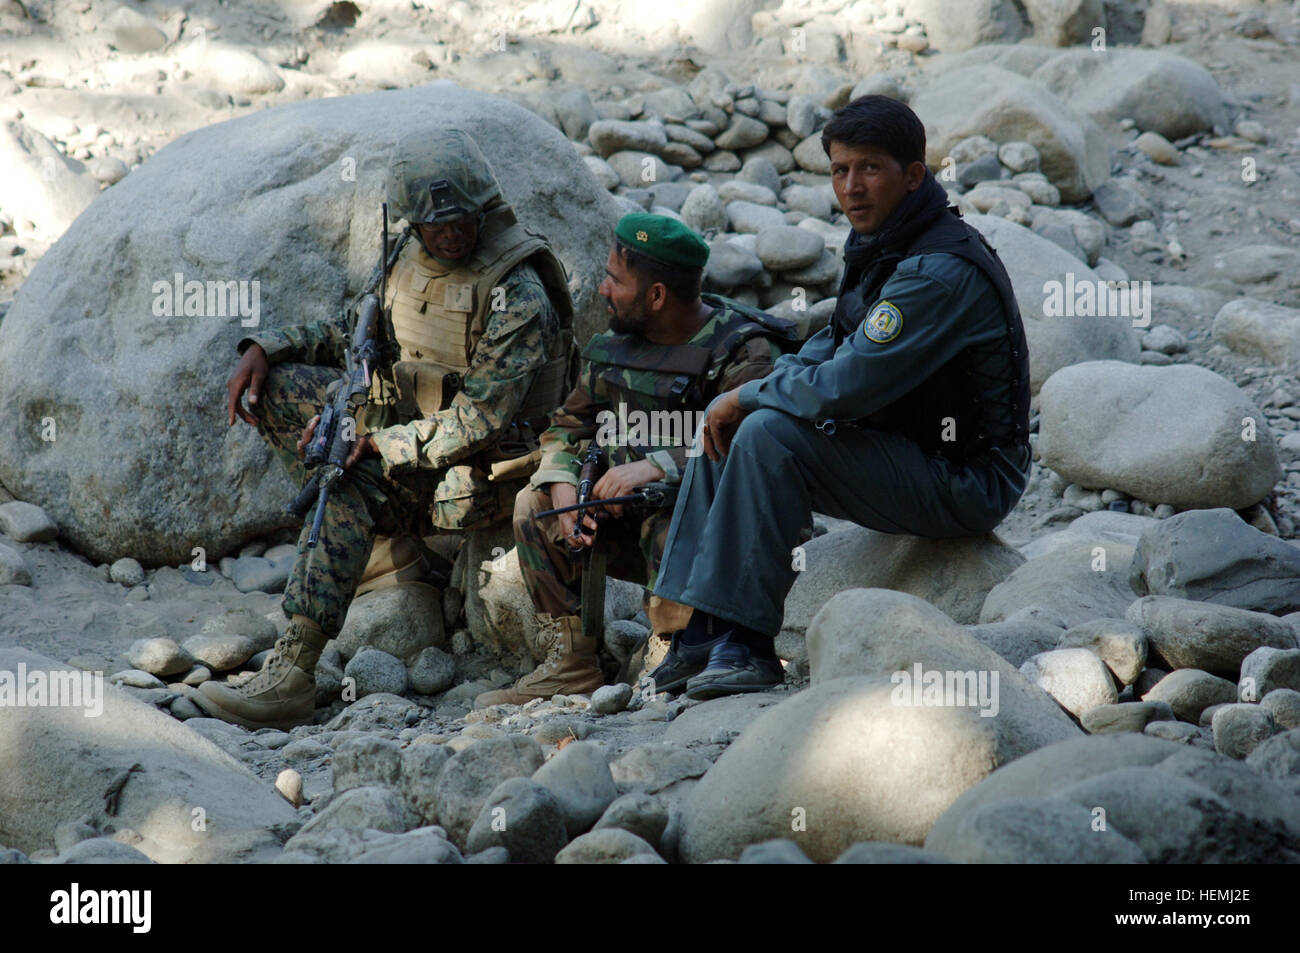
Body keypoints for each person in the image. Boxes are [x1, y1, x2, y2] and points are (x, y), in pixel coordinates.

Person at [650, 95, 1033, 701]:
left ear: (913, 175)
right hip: (912, 448)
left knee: (765, 431)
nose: (851, 187)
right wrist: (742, 398)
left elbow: (846, 386)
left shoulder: (937, 269)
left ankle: (747, 645)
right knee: (724, 426)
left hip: (969, 476)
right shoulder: (889, 240)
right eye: (839, 170)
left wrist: (750, 395)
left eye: (870, 169)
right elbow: (834, 338)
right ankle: (697, 628)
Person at [193, 129, 574, 729]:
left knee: (347, 476)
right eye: (434, 224)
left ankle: (293, 672)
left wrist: (374, 442)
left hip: (479, 476)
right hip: (412, 439)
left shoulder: (515, 291)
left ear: (484, 207)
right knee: (282, 395)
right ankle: (374, 551)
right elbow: (356, 333)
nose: (450, 234)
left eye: (461, 221)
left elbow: (480, 420)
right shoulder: (407, 256)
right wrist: (266, 348)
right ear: (412, 223)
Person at [473, 213, 791, 707]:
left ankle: (679, 646)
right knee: (534, 506)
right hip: (615, 518)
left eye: (615, 281)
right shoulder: (614, 346)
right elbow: (567, 425)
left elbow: (755, 444)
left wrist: (657, 467)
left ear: (658, 296)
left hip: (698, 526)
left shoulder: (739, 349)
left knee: (672, 523)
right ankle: (573, 662)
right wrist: (563, 482)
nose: (601, 290)